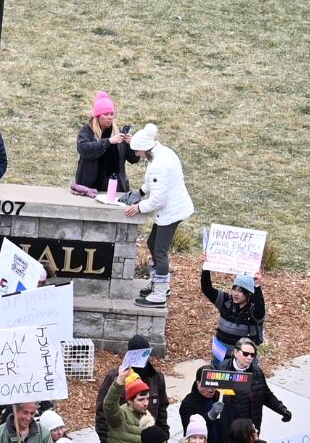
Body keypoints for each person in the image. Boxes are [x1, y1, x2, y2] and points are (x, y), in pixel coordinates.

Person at [123, 123, 195, 308]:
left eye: (138, 151)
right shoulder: (162, 153)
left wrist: (139, 207)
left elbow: (158, 200)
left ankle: (160, 294)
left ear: (145, 148)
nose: (137, 155)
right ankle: (159, 285)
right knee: (152, 244)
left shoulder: (159, 165)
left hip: (171, 212)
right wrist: (140, 191)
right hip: (174, 207)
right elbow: (154, 184)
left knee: (159, 250)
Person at [72, 92, 132, 197]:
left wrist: (132, 144)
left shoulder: (118, 133)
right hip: (89, 188)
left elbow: (133, 159)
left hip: (115, 188)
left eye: (111, 114)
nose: (109, 117)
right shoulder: (86, 131)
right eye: (106, 114)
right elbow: (84, 150)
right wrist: (108, 142)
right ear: (97, 116)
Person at [199, 270, 265, 360]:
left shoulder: (253, 309)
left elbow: (260, 311)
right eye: (234, 289)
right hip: (220, 355)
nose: (235, 294)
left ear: (249, 293)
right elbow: (206, 288)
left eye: (240, 291)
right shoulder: (225, 301)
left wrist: (257, 286)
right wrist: (206, 268)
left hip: (244, 359)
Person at [98, 376, 156, 443]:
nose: (146, 403)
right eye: (141, 400)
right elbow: (109, 405)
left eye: (147, 399)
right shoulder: (121, 416)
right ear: (129, 401)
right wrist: (119, 382)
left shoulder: (147, 416)